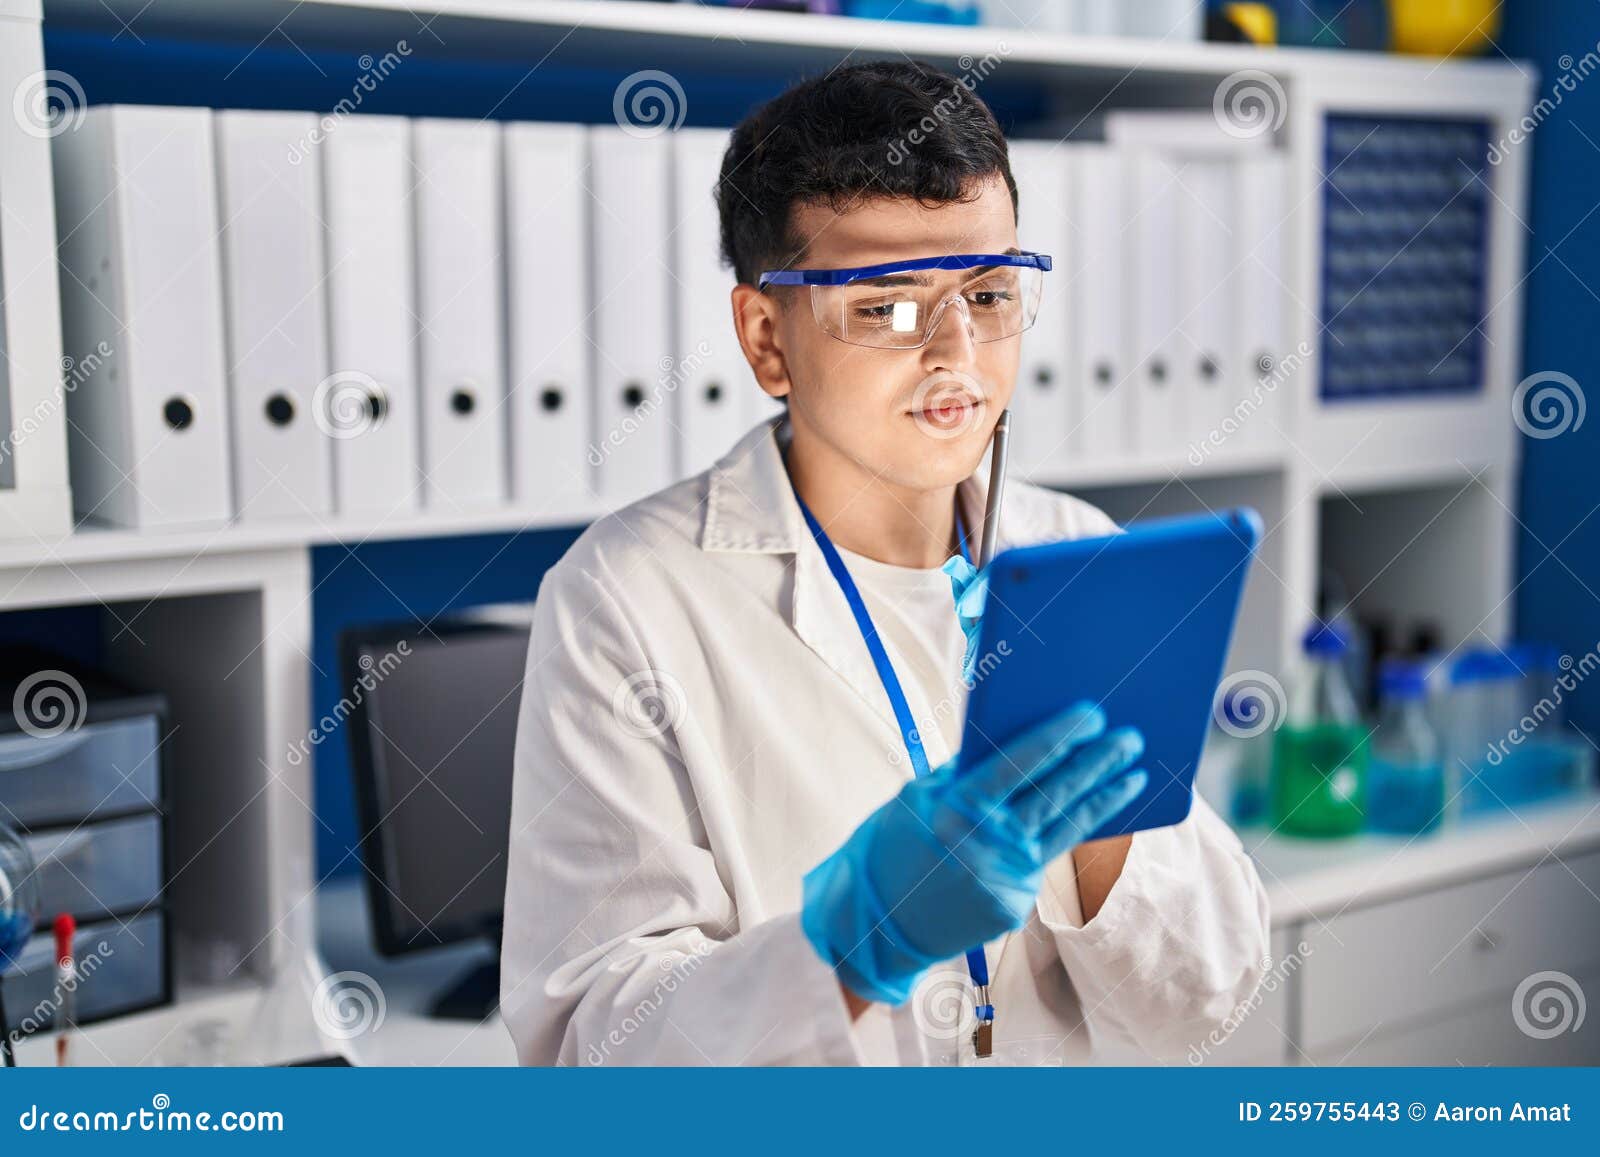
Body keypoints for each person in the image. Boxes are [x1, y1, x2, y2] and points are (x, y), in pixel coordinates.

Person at [501, 60, 1271, 1066]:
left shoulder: (1076, 554)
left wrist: (1100, 834)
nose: (956, 350)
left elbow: (1199, 1005)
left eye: (988, 292)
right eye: (886, 305)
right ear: (766, 338)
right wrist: (858, 942)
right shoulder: (624, 599)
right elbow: (592, 1052)